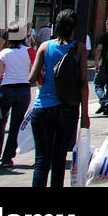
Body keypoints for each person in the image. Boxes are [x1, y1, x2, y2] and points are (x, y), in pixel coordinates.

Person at [27, 10, 90, 187]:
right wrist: (85, 115)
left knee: (41, 160)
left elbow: (31, 78)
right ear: (73, 28)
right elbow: (83, 83)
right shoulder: (79, 49)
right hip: (67, 109)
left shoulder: (45, 47)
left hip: (43, 108)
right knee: (59, 159)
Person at [0, 27, 32, 167]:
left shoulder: (4, 53)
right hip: (24, 89)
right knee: (16, 124)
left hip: (6, 89)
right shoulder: (30, 51)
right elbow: (34, 71)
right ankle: (7, 158)